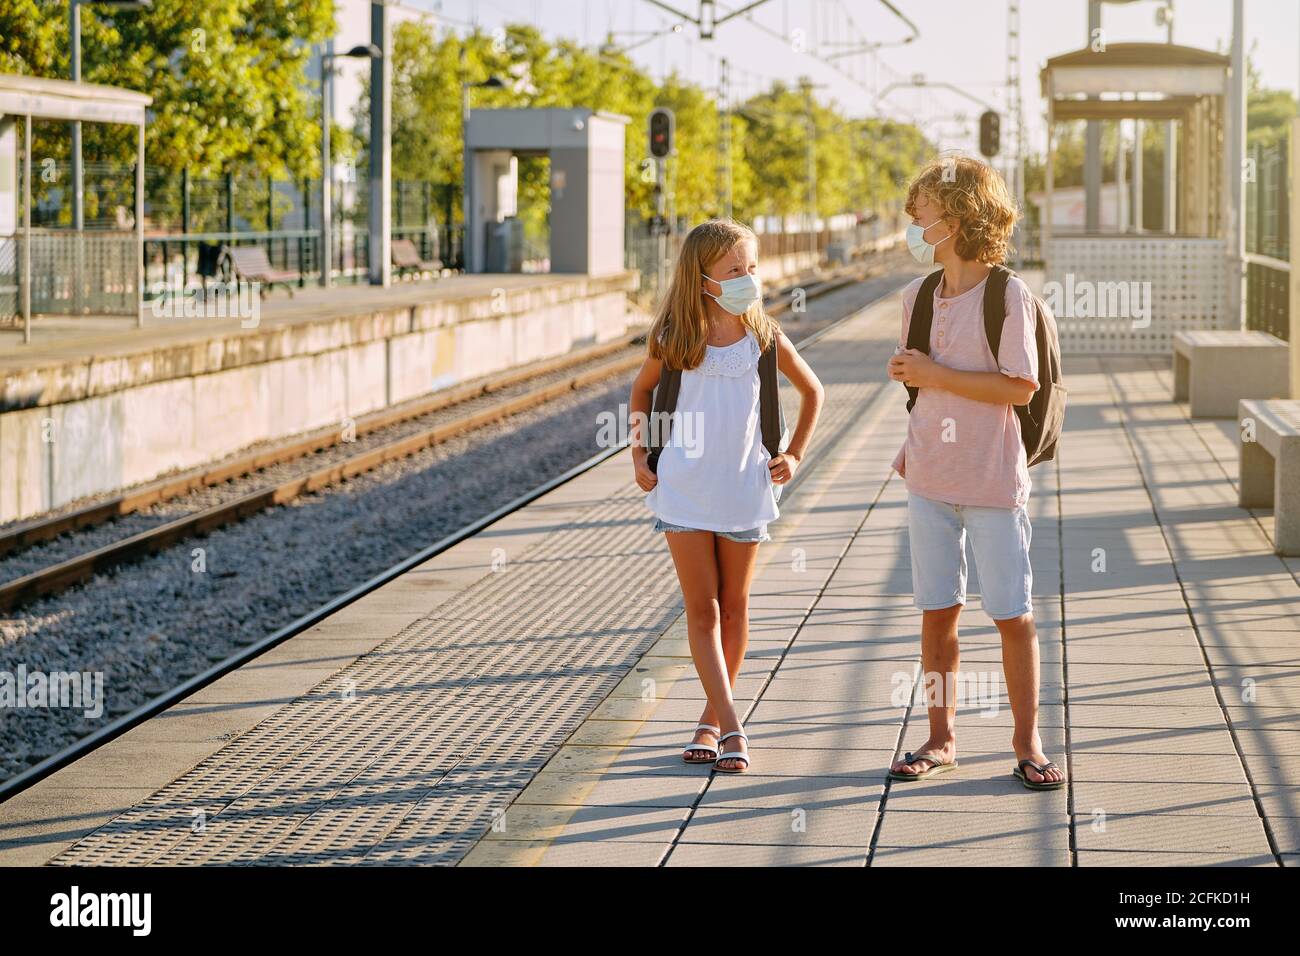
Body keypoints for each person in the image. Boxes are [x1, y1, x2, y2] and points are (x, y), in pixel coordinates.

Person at [886, 157, 1066, 791]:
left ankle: (1028, 741)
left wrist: (934, 375)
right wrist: (915, 381)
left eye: (924, 211)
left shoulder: (1006, 296)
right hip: (929, 478)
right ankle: (941, 737)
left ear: (959, 217)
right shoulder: (916, 297)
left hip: (991, 480)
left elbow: (1019, 387)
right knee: (937, 611)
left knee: (1011, 613)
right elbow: (922, 388)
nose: (914, 221)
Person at [628, 219, 824, 774]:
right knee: (702, 608)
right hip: (684, 492)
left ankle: (710, 720)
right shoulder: (673, 337)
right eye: (735, 270)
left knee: (734, 607)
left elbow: (814, 391)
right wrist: (640, 455)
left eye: (752, 268)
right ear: (703, 277)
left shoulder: (763, 337)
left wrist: (795, 454)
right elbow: (641, 392)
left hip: (743, 490)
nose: (748, 279)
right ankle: (734, 726)